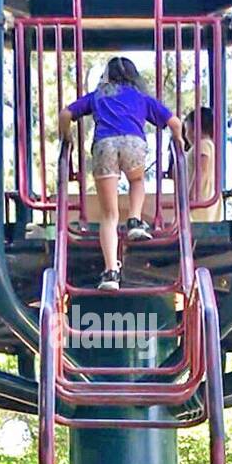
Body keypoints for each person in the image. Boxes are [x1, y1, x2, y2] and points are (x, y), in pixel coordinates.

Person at [59, 57, 184, 291]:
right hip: (132, 143)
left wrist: (67, 138)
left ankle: (110, 274)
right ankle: (135, 221)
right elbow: (175, 123)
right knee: (137, 180)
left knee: (109, 215)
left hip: (104, 144)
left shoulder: (99, 95)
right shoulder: (141, 97)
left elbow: (66, 114)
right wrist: (179, 141)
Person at [182, 106, 220, 220]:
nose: (185, 134)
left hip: (200, 201)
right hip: (207, 199)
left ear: (194, 129)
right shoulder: (209, 145)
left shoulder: (202, 145)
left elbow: (201, 169)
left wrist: (193, 194)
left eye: (186, 129)